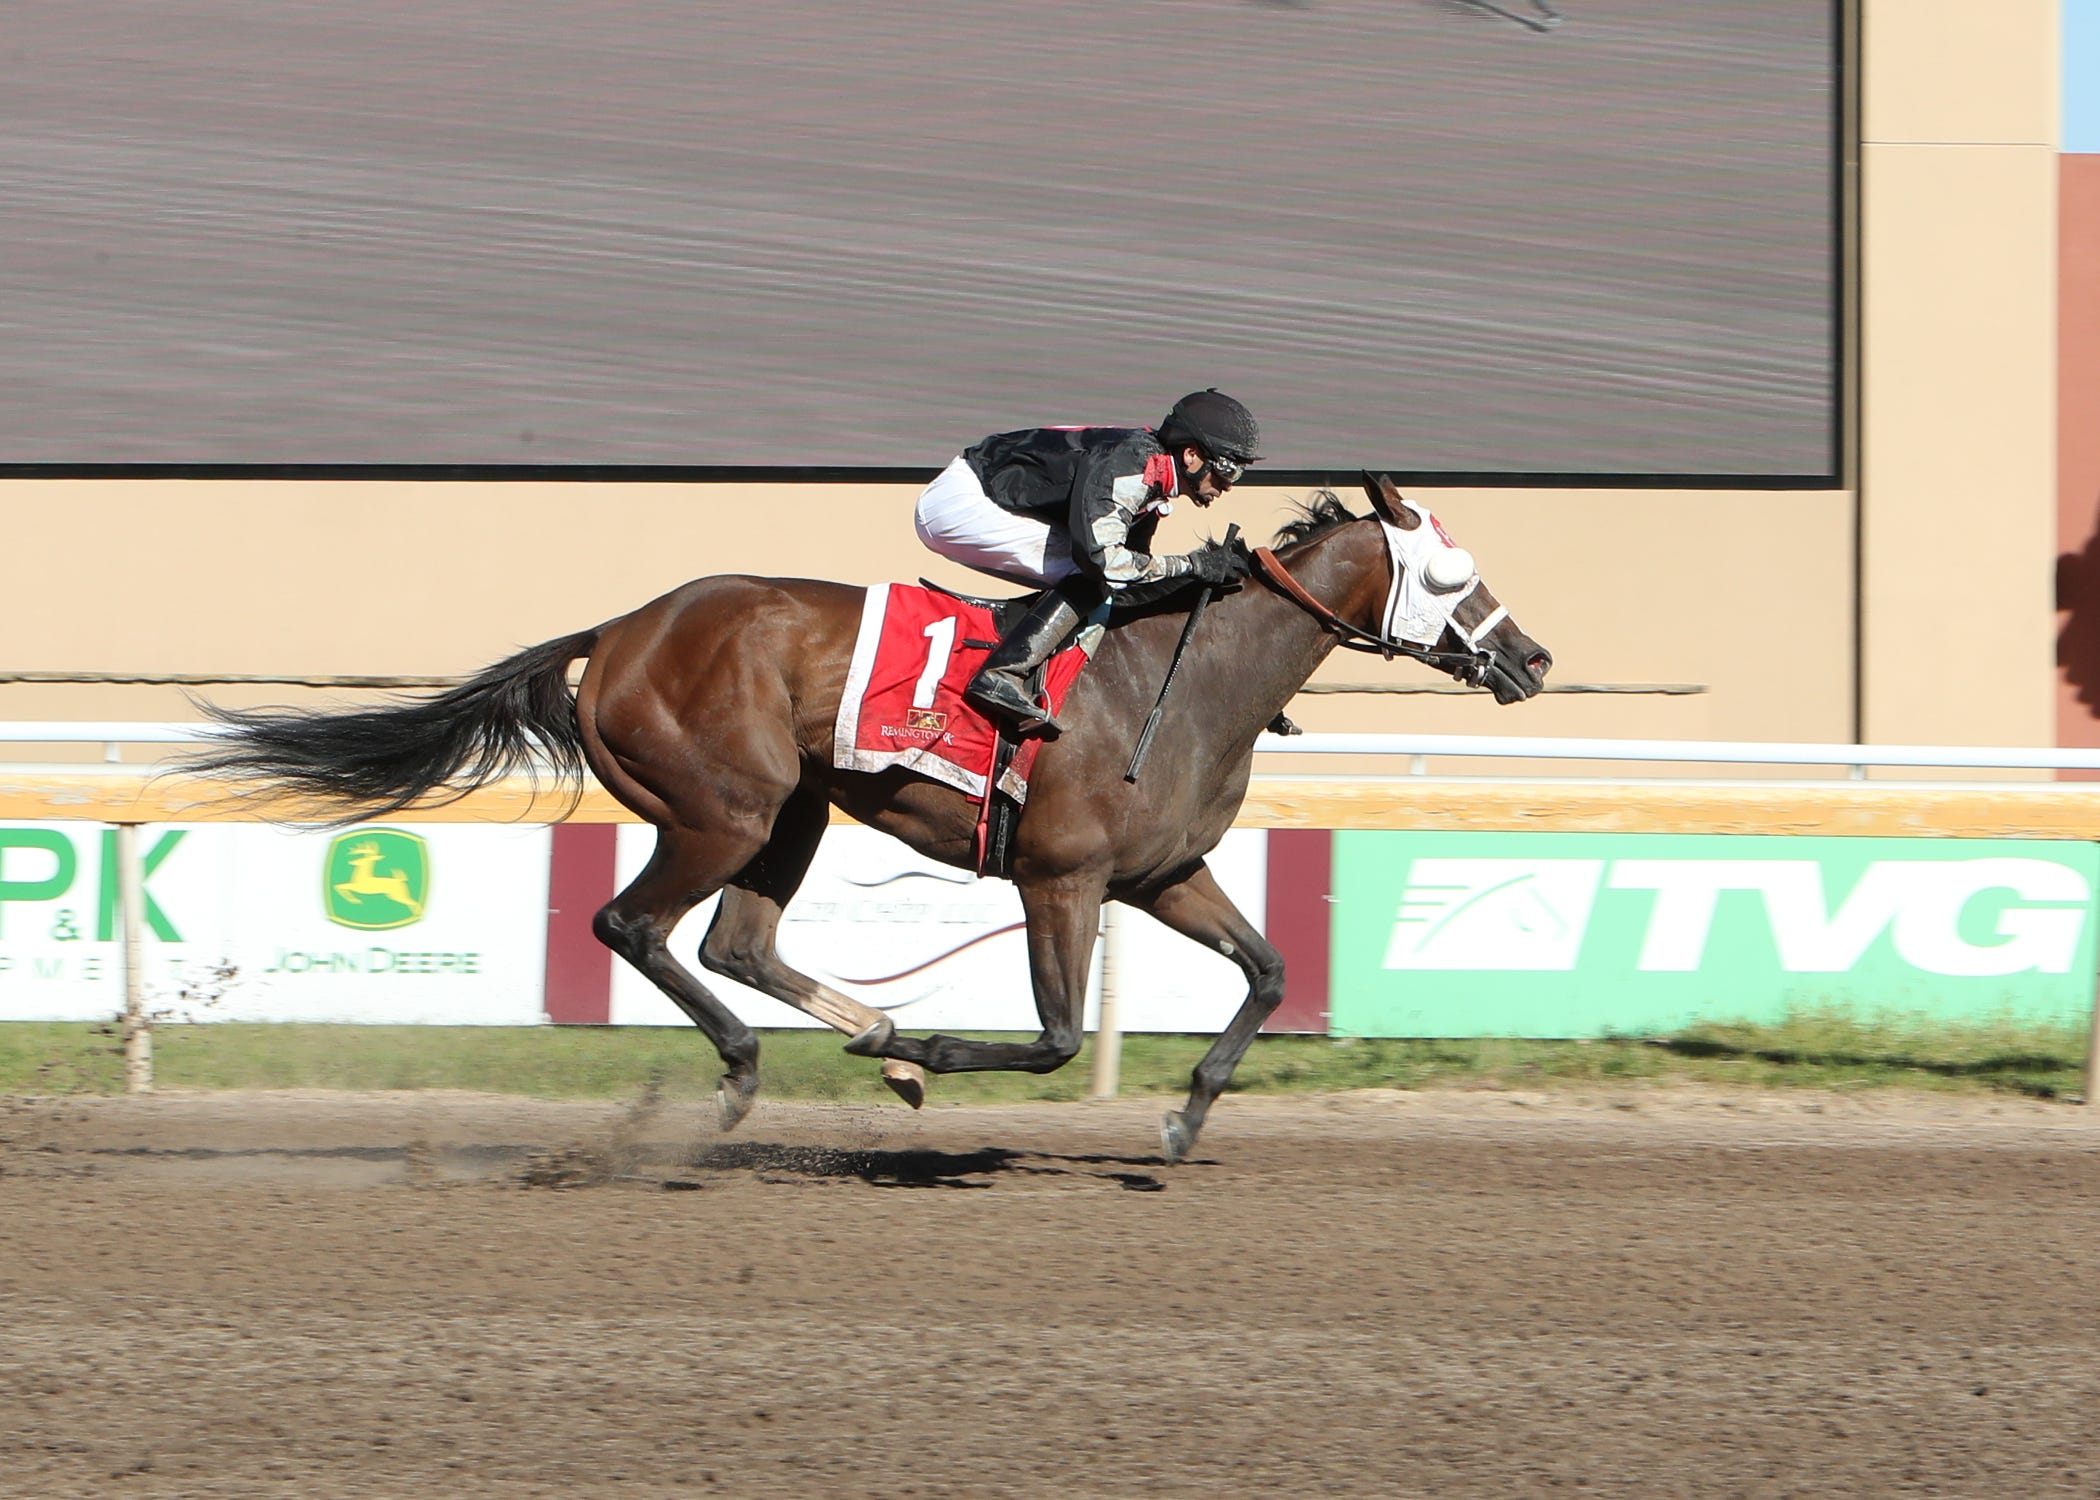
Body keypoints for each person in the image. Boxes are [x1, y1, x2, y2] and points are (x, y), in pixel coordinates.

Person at [914, 389, 1261, 734]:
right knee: (1096, 572)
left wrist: (1194, 576)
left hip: (976, 494)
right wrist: (1192, 566)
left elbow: (1136, 575)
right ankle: (1001, 673)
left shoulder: (1153, 477)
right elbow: (1106, 562)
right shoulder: (1134, 466)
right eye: (1228, 470)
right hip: (958, 502)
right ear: (1191, 455)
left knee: (1108, 583)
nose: (1228, 486)